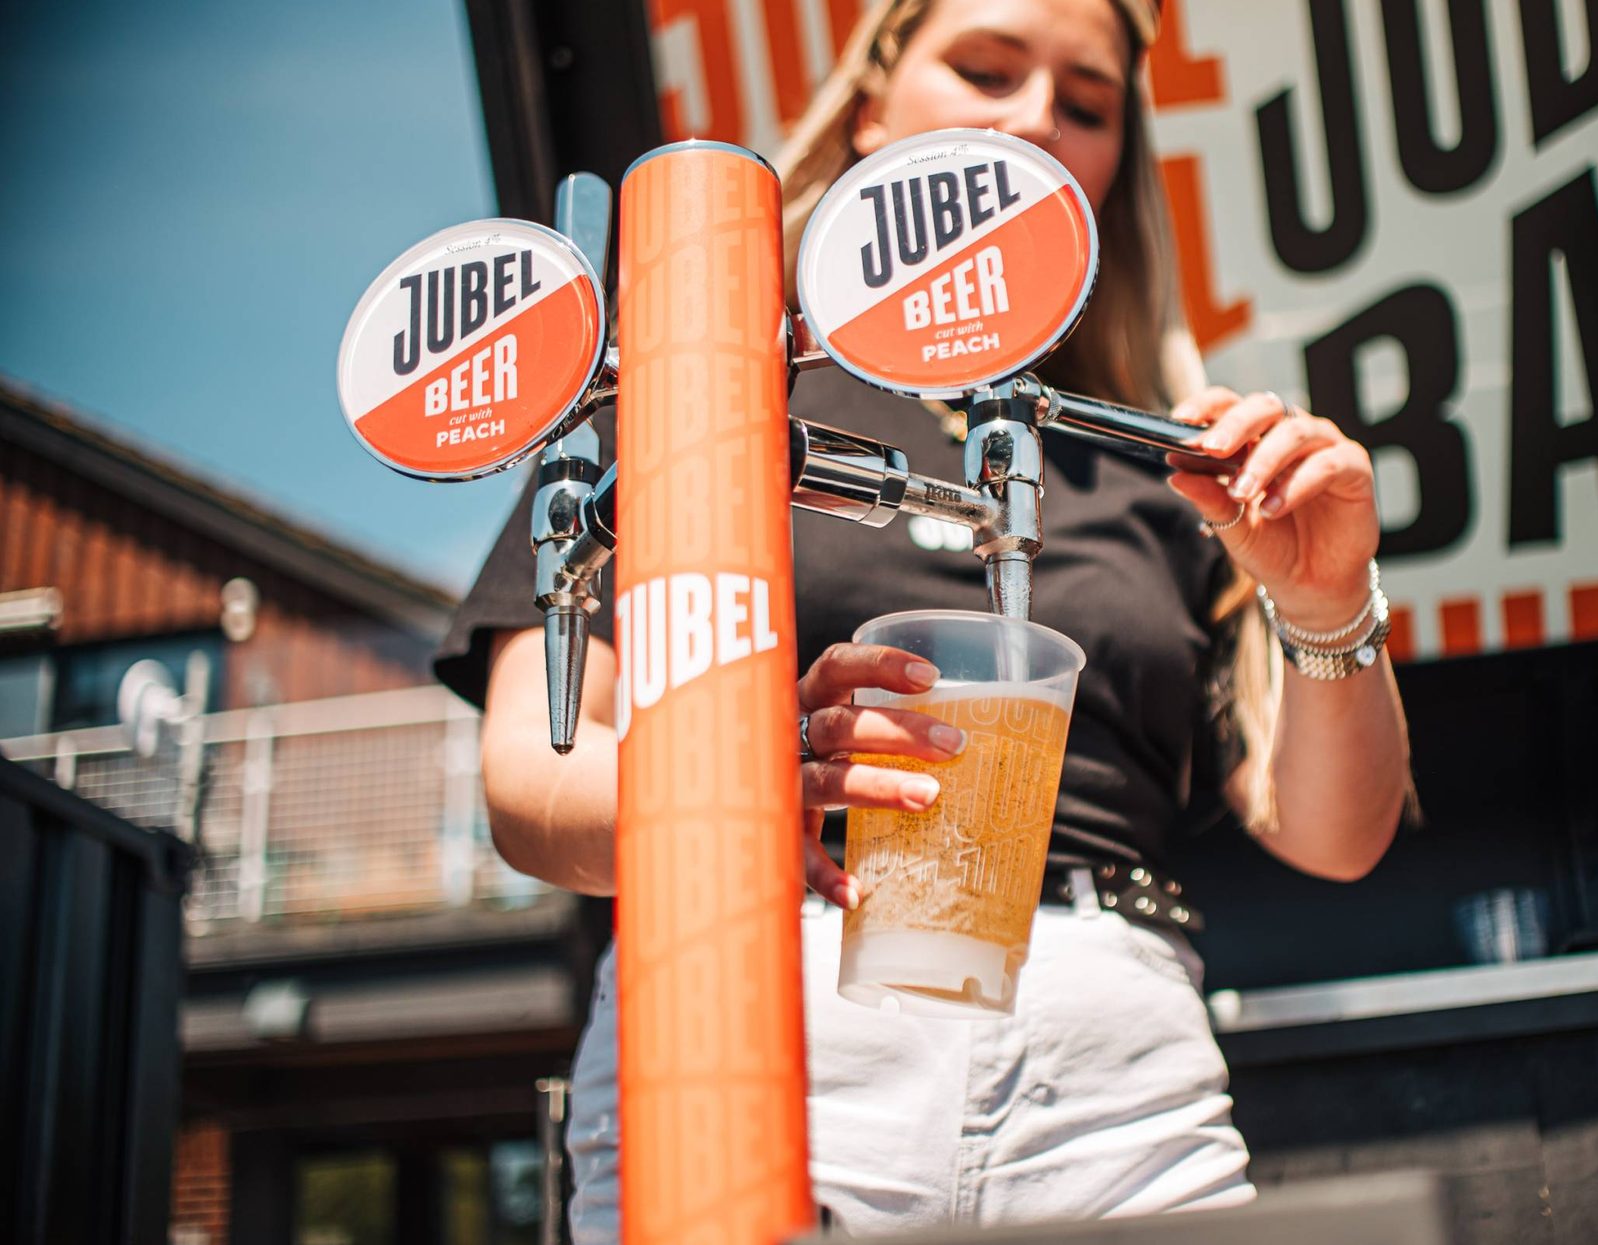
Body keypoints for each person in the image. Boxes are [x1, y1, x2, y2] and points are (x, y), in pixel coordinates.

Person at [434, 0, 1410, 1237]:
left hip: (1111, 1065)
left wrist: (1326, 603)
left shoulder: (1169, 463)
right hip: (759, 1002)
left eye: (1089, 103)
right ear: (867, 106)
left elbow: (1336, 836)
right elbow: (531, 789)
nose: (1036, 117)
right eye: (988, 68)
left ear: (1116, 167)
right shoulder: (689, 393)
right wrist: (744, 784)